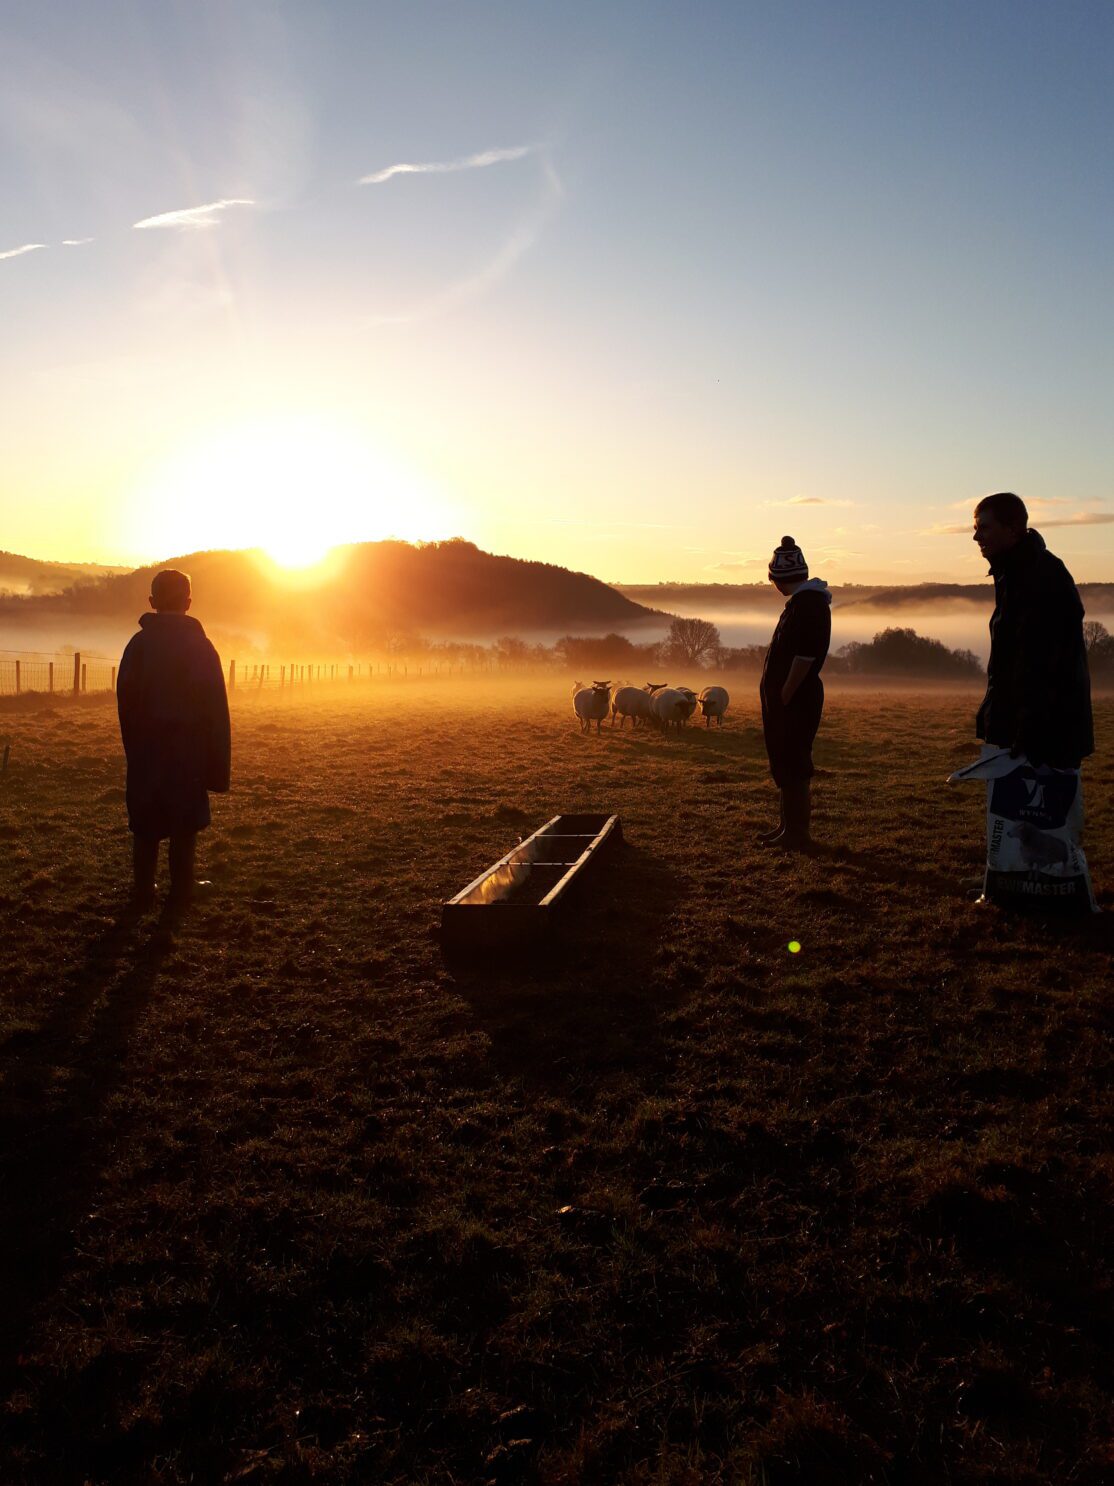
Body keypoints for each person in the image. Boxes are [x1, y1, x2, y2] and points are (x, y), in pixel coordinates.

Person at [117, 569, 231, 909]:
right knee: (185, 827)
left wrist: (135, 750)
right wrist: (216, 768)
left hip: (147, 754)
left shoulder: (137, 647)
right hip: (189, 756)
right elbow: (216, 711)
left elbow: (126, 704)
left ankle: (143, 890)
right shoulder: (201, 647)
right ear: (189, 602)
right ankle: (181, 888)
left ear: (152, 602)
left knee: (146, 826)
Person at [973, 492, 1093, 768]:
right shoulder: (1014, 574)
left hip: (1043, 742)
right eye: (975, 529)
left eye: (984, 527)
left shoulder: (1040, 577)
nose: (976, 538)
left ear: (1013, 528)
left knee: (1041, 810)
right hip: (1027, 737)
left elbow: (1043, 665)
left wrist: (1025, 732)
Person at [758, 536, 832, 850]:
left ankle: (797, 833)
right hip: (788, 698)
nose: (774, 585)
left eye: (775, 579)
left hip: (796, 699)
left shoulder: (809, 606)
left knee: (794, 761)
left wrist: (786, 693)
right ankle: (787, 827)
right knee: (785, 761)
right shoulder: (802, 603)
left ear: (782, 578)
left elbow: (805, 656)